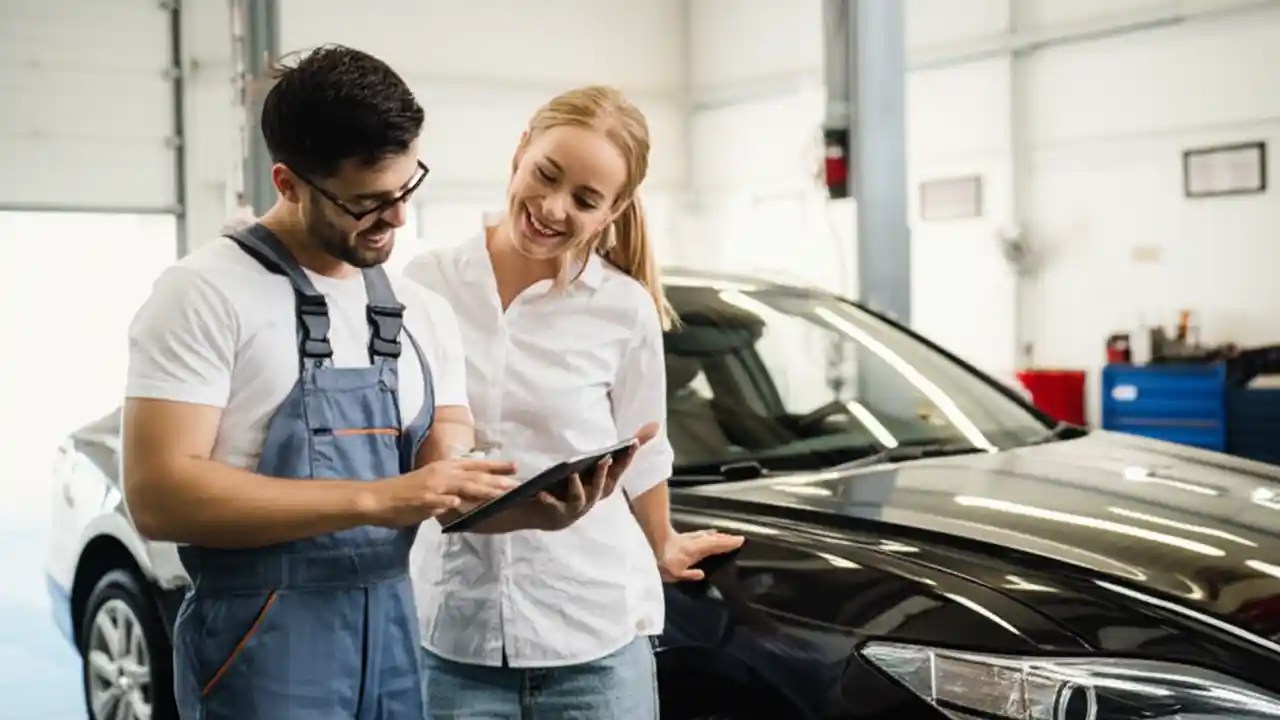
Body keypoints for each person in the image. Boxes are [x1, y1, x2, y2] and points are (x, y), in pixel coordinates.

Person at [121, 44, 518, 719]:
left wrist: (519, 502)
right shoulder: (202, 294)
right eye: (367, 202)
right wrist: (378, 499)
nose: (395, 218)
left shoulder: (421, 309)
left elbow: (445, 456)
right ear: (288, 182)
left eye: (406, 188)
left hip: (396, 631)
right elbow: (160, 497)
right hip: (262, 637)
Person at [403, 85, 746, 719]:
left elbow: (645, 446)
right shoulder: (428, 285)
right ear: (520, 152)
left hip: (592, 639)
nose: (552, 207)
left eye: (585, 200)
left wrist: (664, 541)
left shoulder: (623, 308)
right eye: (546, 175)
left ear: (612, 211)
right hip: (453, 637)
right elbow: (407, 447)